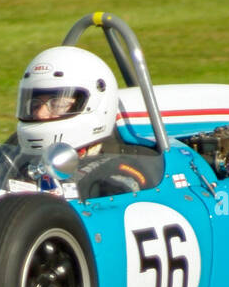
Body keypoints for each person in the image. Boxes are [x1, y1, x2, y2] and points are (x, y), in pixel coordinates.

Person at [14, 46, 162, 196]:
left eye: (57, 104)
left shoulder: (118, 173)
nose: (40, 114)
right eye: (35, 105)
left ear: (93, 104)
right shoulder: (17, 154)